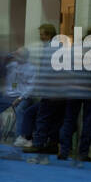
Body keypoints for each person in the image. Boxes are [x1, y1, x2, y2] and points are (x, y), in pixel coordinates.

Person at [59, 27, 91, 164]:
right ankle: (83, 153)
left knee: (69, 121)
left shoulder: (73, 50)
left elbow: (65, 69)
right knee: (88, 123)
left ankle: (64, 150)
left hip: (73, 91)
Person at [27, 23, 64, 163]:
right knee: (55, 119)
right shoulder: (62, 48)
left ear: (48, 34)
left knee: (42, 117)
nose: (40, 37)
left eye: (42, 34)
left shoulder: (49, 50)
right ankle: (52, 144)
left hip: (50, 89)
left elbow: (46, 71)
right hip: (60, 91)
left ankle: (38, 144)